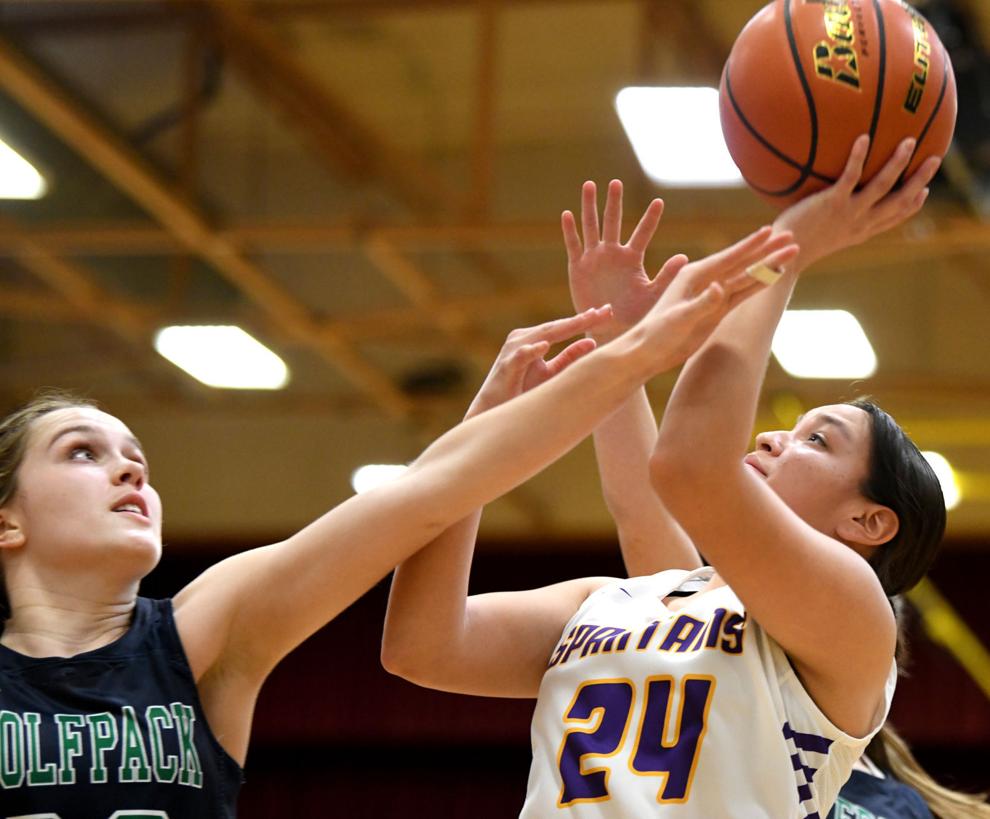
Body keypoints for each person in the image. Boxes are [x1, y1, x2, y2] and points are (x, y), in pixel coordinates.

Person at [0, 217, 791, 817]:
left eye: (133, 451)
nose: (130, 467)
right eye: (80, 452)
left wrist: (634, 351)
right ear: (8, 521)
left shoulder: (202, 633)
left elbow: (424, 496)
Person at [381, 136, 947, 817]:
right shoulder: (629, 598)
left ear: (868, 520)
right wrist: (483, 434)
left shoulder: (857, 620)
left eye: (816, 439)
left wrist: (788, 246)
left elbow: (686, 467)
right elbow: (421, 644)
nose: (772, 434)